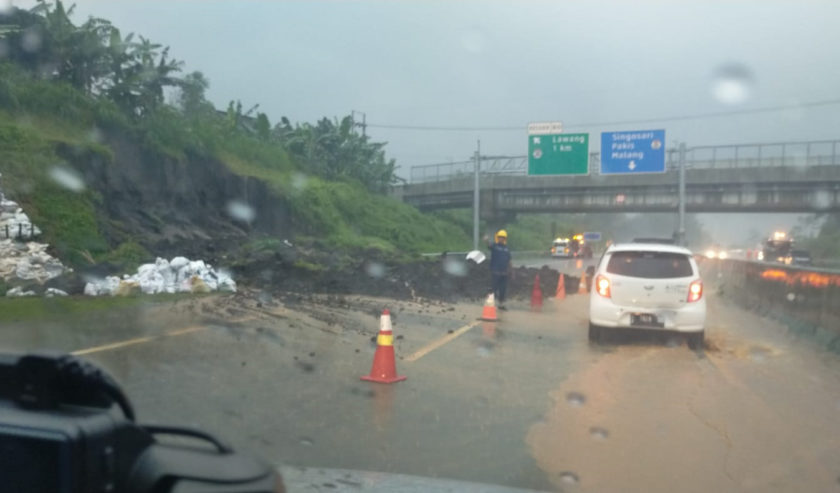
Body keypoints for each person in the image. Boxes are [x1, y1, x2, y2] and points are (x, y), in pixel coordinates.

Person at [485, 229, 512, 310]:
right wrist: (486, 240)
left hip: (504, 273)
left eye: (503, 237)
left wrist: (511, 270)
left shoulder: (507, 249)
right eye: (500, 237)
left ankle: (501, 304)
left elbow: (509, 260)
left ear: (505, 239)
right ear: (498, 238)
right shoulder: (495, 246)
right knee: (493, 288)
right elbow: (489, 245)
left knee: (503, 289)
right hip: (495, 272)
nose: (501, 239)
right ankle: (490, 303)